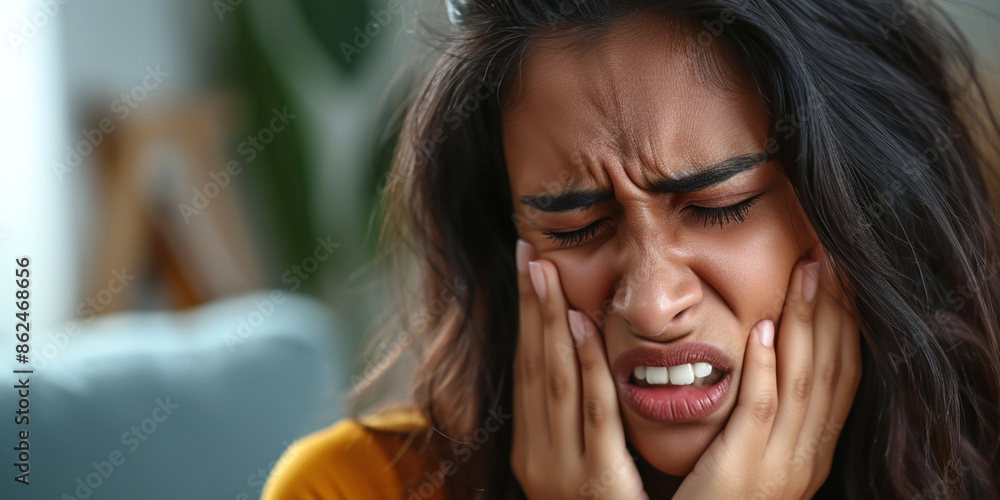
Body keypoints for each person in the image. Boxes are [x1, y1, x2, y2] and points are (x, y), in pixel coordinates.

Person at [262, 0, 1000, 498]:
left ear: (870, 207)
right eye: (575, 226)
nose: (649, 305)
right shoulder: (352, 486)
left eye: (720, 207)